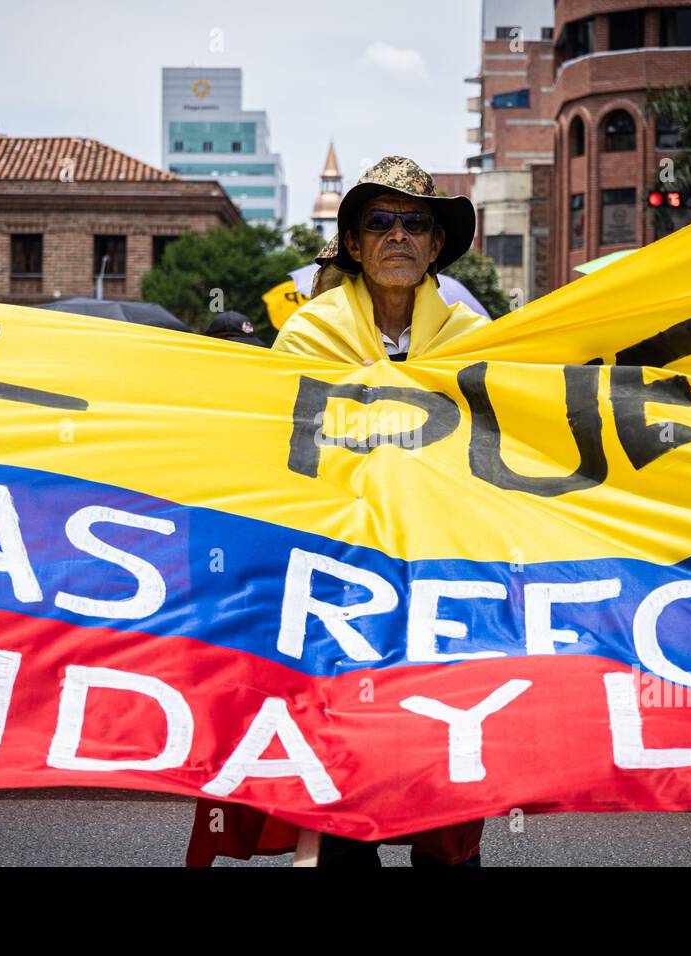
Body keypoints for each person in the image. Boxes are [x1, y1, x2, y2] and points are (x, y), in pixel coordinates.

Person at [186, 156, 489, 867]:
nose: (398, 236)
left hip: (439, 592)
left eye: (415, 223)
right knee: (345, 800)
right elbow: (273, 459)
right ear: (353, 243)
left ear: (436, 244)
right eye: (379, 222)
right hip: (338, 588)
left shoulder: (476, 344)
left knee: (446, 807)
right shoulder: (308, 338)